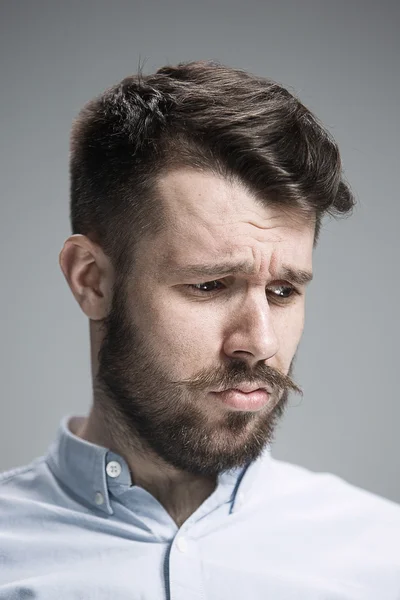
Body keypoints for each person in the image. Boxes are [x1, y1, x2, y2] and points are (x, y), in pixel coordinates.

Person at [1, 60, 399, 599]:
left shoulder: (383, 558)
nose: (260, 342)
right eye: (210, 285)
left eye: (284, 291)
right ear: (91, 280)